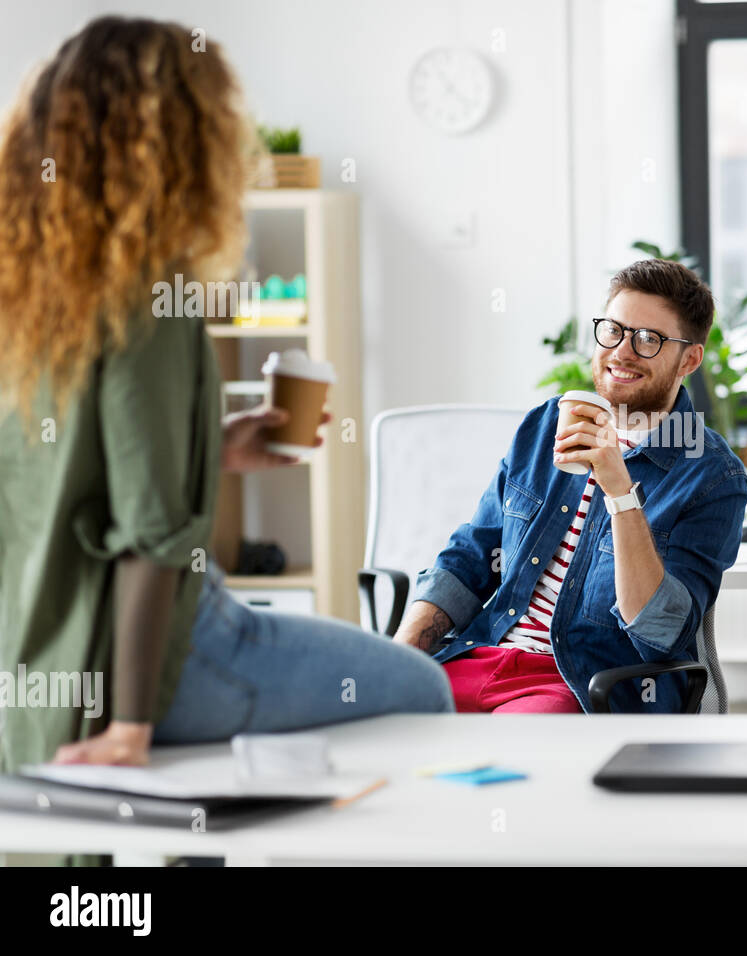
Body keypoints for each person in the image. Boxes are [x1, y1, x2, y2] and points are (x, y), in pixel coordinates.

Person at [0, 17, 451, 771]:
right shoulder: (149, 295)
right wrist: (132, 726)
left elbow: (68, 485)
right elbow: (152, 539)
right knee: (423, 688)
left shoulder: (28, 297)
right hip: (169, 655)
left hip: (38, 651)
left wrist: (213, 451)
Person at [393, 258, 747, 713]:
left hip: (580, 681)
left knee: (500, 759)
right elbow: (469, 559)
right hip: (484, 656)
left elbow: (660, 629)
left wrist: (620, 491)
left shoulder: (712, 476)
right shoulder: (546, 426)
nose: (622, 352)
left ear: (689, 359)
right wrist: (400, 654)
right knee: (364, 715)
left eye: (648, 339)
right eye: (613, 330)